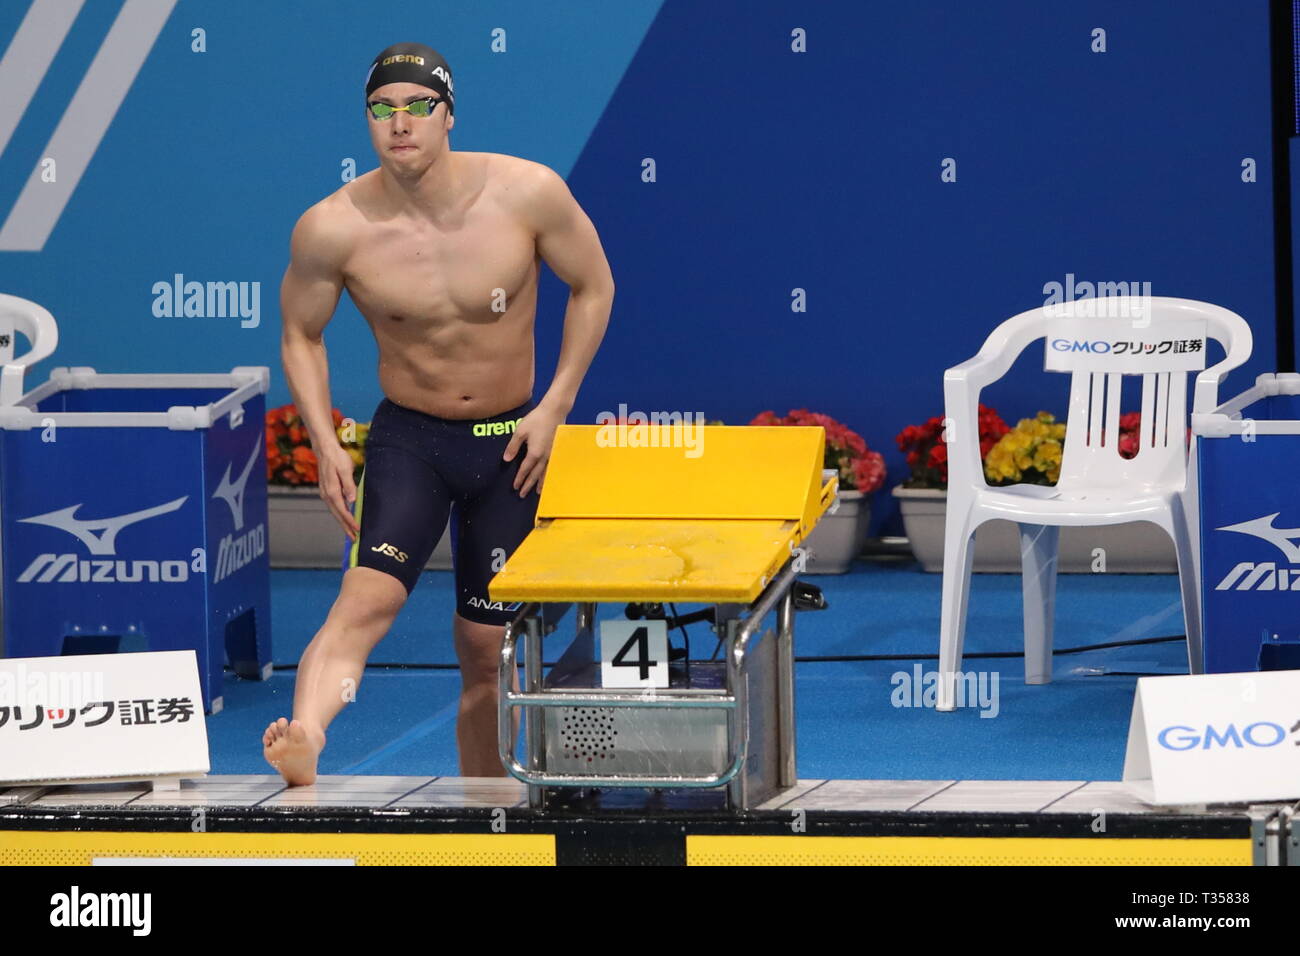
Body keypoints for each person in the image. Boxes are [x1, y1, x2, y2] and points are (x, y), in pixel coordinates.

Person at [263, 42, 614, 785]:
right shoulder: (334, 227)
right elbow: (300, 333)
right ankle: (308, 737)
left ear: (448, 114)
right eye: (382, 110)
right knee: (367, 597)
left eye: (417, 106)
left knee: (485, 647)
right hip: (410, 440)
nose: (400, 123)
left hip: (509, 443)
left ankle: (487, 802)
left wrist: (556, 404)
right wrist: (323, 438)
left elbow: (594, 287)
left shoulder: (528, 194)